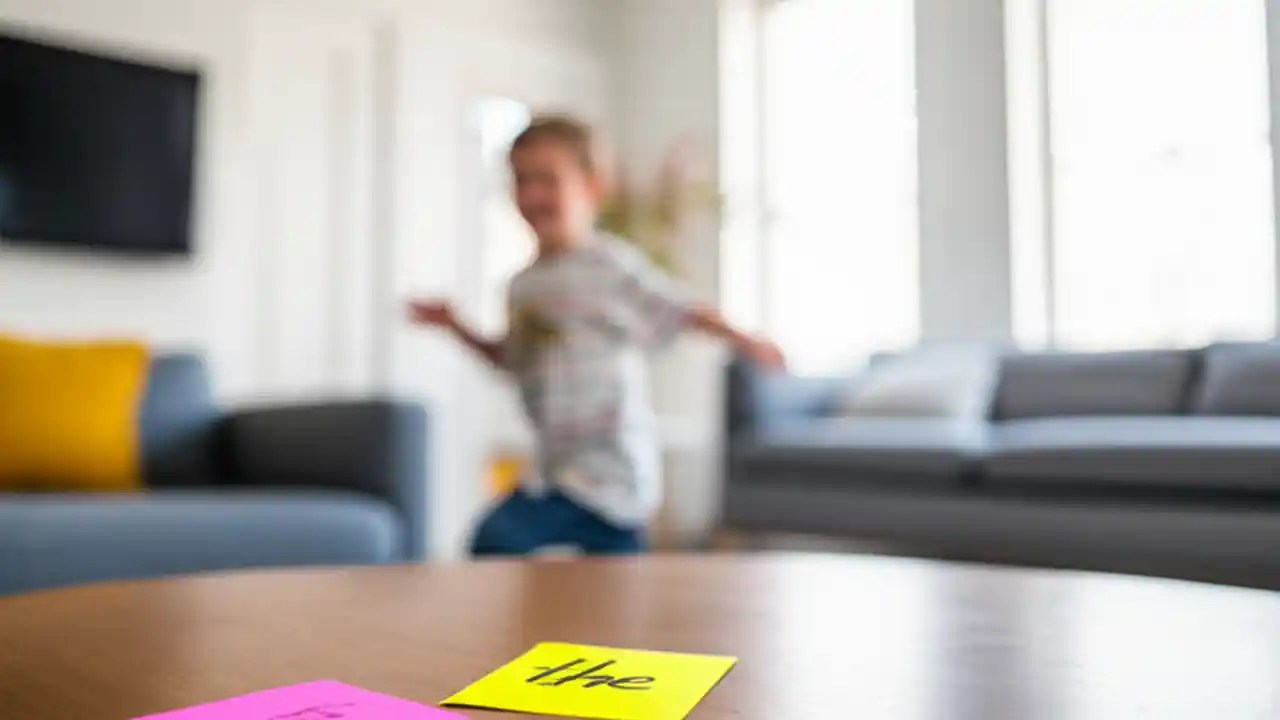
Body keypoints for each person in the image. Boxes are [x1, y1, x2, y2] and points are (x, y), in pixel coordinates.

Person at [408, 115, 784, 556]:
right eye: (521, 181)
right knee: (505, 547)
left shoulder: (608, 264)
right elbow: (513, 360)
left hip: (613, 474)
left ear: (593, 187)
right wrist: (457, 328)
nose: (531, 195)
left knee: (506, 541)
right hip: (556, 471)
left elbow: (680, 308)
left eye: (547, 180)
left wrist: (744, 338)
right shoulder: (522, 287)